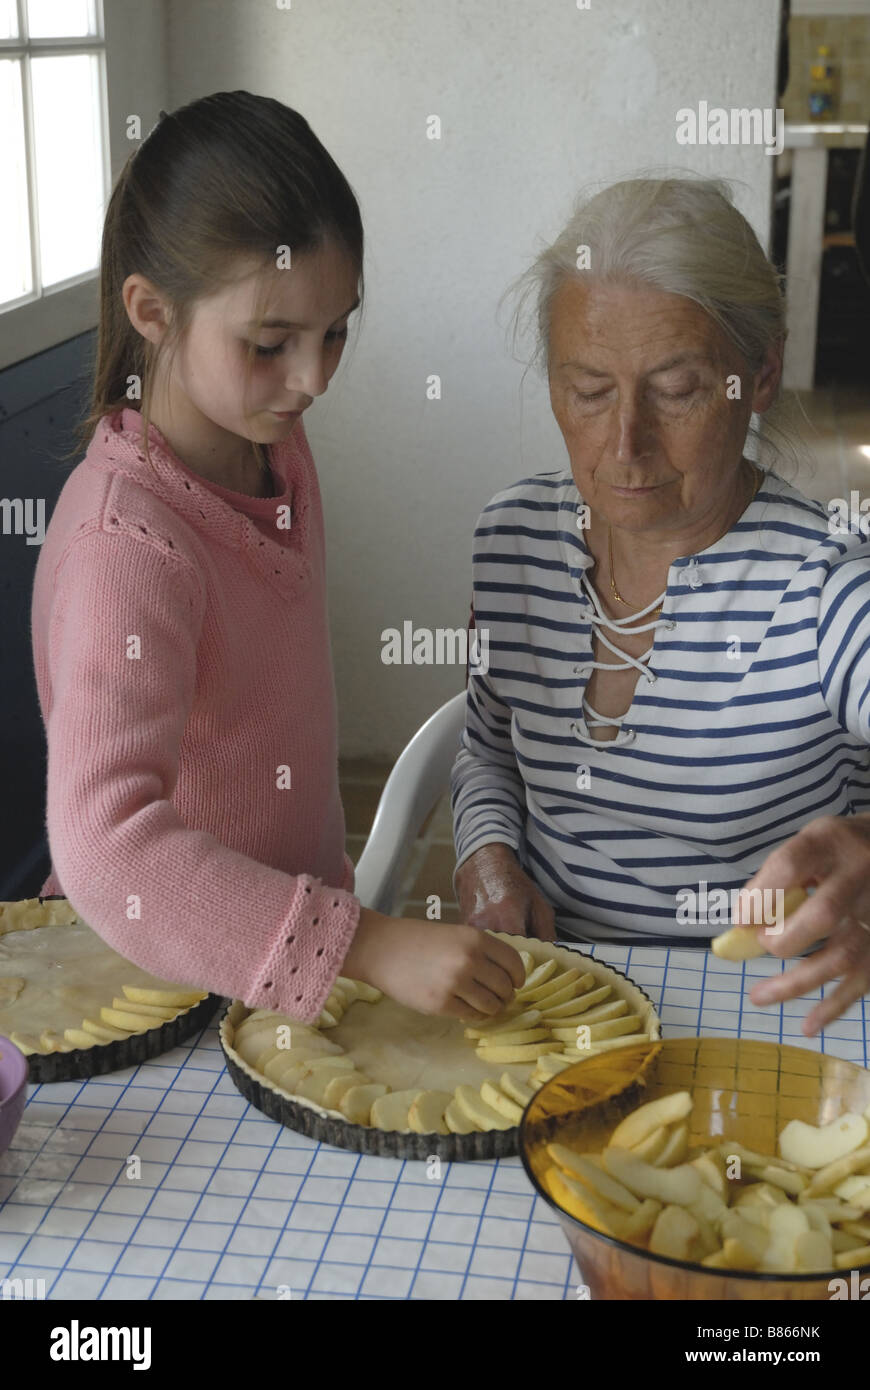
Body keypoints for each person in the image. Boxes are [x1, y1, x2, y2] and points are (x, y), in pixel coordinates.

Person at [31, 91, 524, 1028]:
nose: (314, 378)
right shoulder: (125, 545)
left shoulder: (274, 449)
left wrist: (341, 929)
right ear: (152, 311)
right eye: (270, 344)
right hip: (141, 987)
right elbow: (104, 846)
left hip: (274, 975)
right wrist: (369, 942)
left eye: (335, 330)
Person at [451, 174, 870, 1038]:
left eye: (676, 390)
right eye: (589, 391)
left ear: (758, 375)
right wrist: (488, 859)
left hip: (765, 1017)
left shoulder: (827, 587)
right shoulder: (513, 542)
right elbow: (486, 749)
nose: (625, 443)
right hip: (555, 1005)